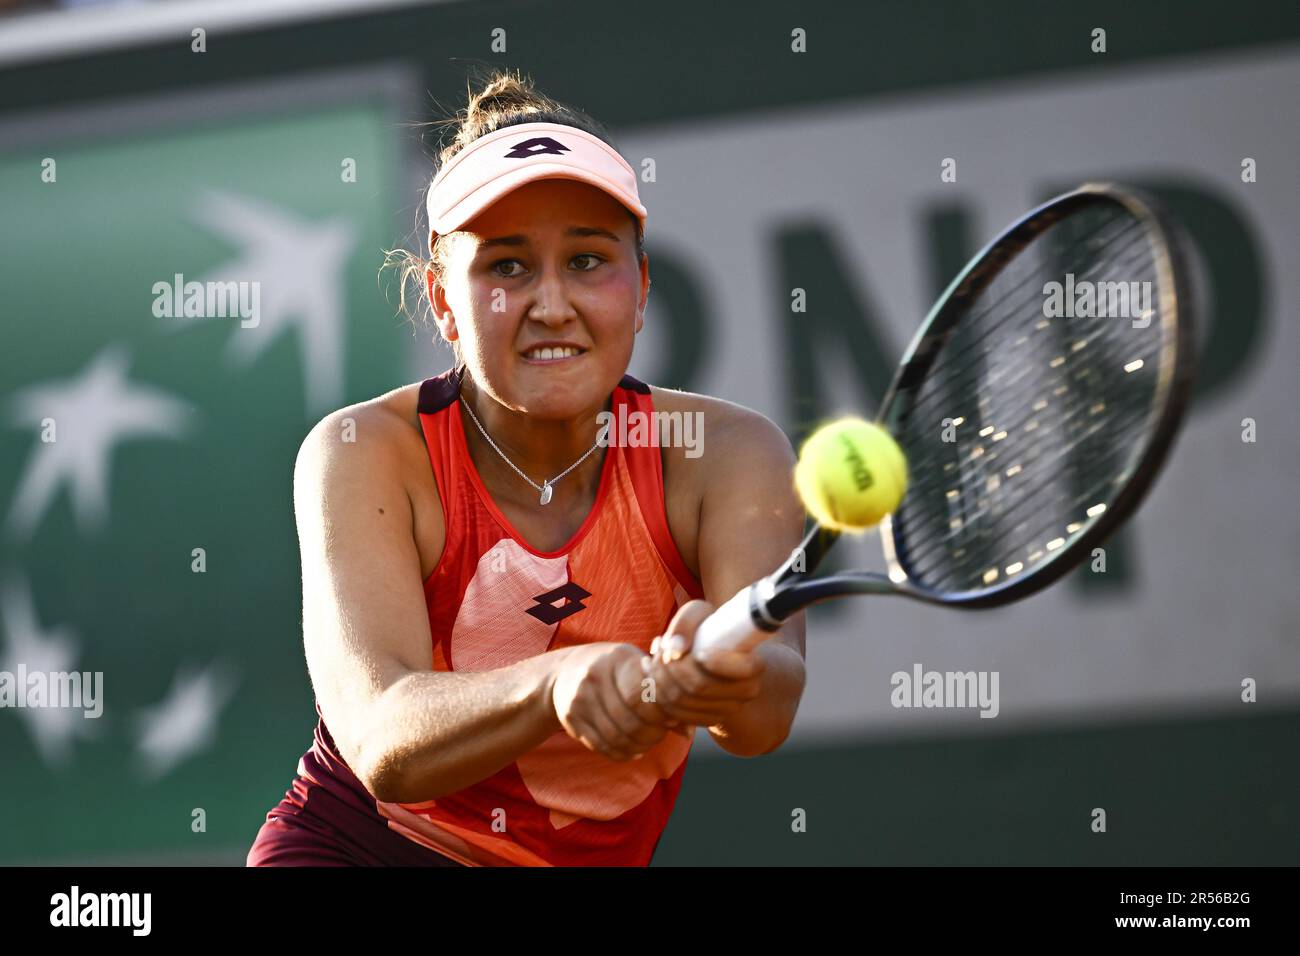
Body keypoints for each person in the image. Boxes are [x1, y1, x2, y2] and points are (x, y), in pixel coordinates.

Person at [246, 69, 806, 867]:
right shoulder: (362, 452)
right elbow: (380, 737)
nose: (551, 304)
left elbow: (766, 716)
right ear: (442, 300)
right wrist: (555, 683)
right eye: (507, 267)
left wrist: (722, 675)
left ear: (642, 288)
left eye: (586, 260)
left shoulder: (728, 452)